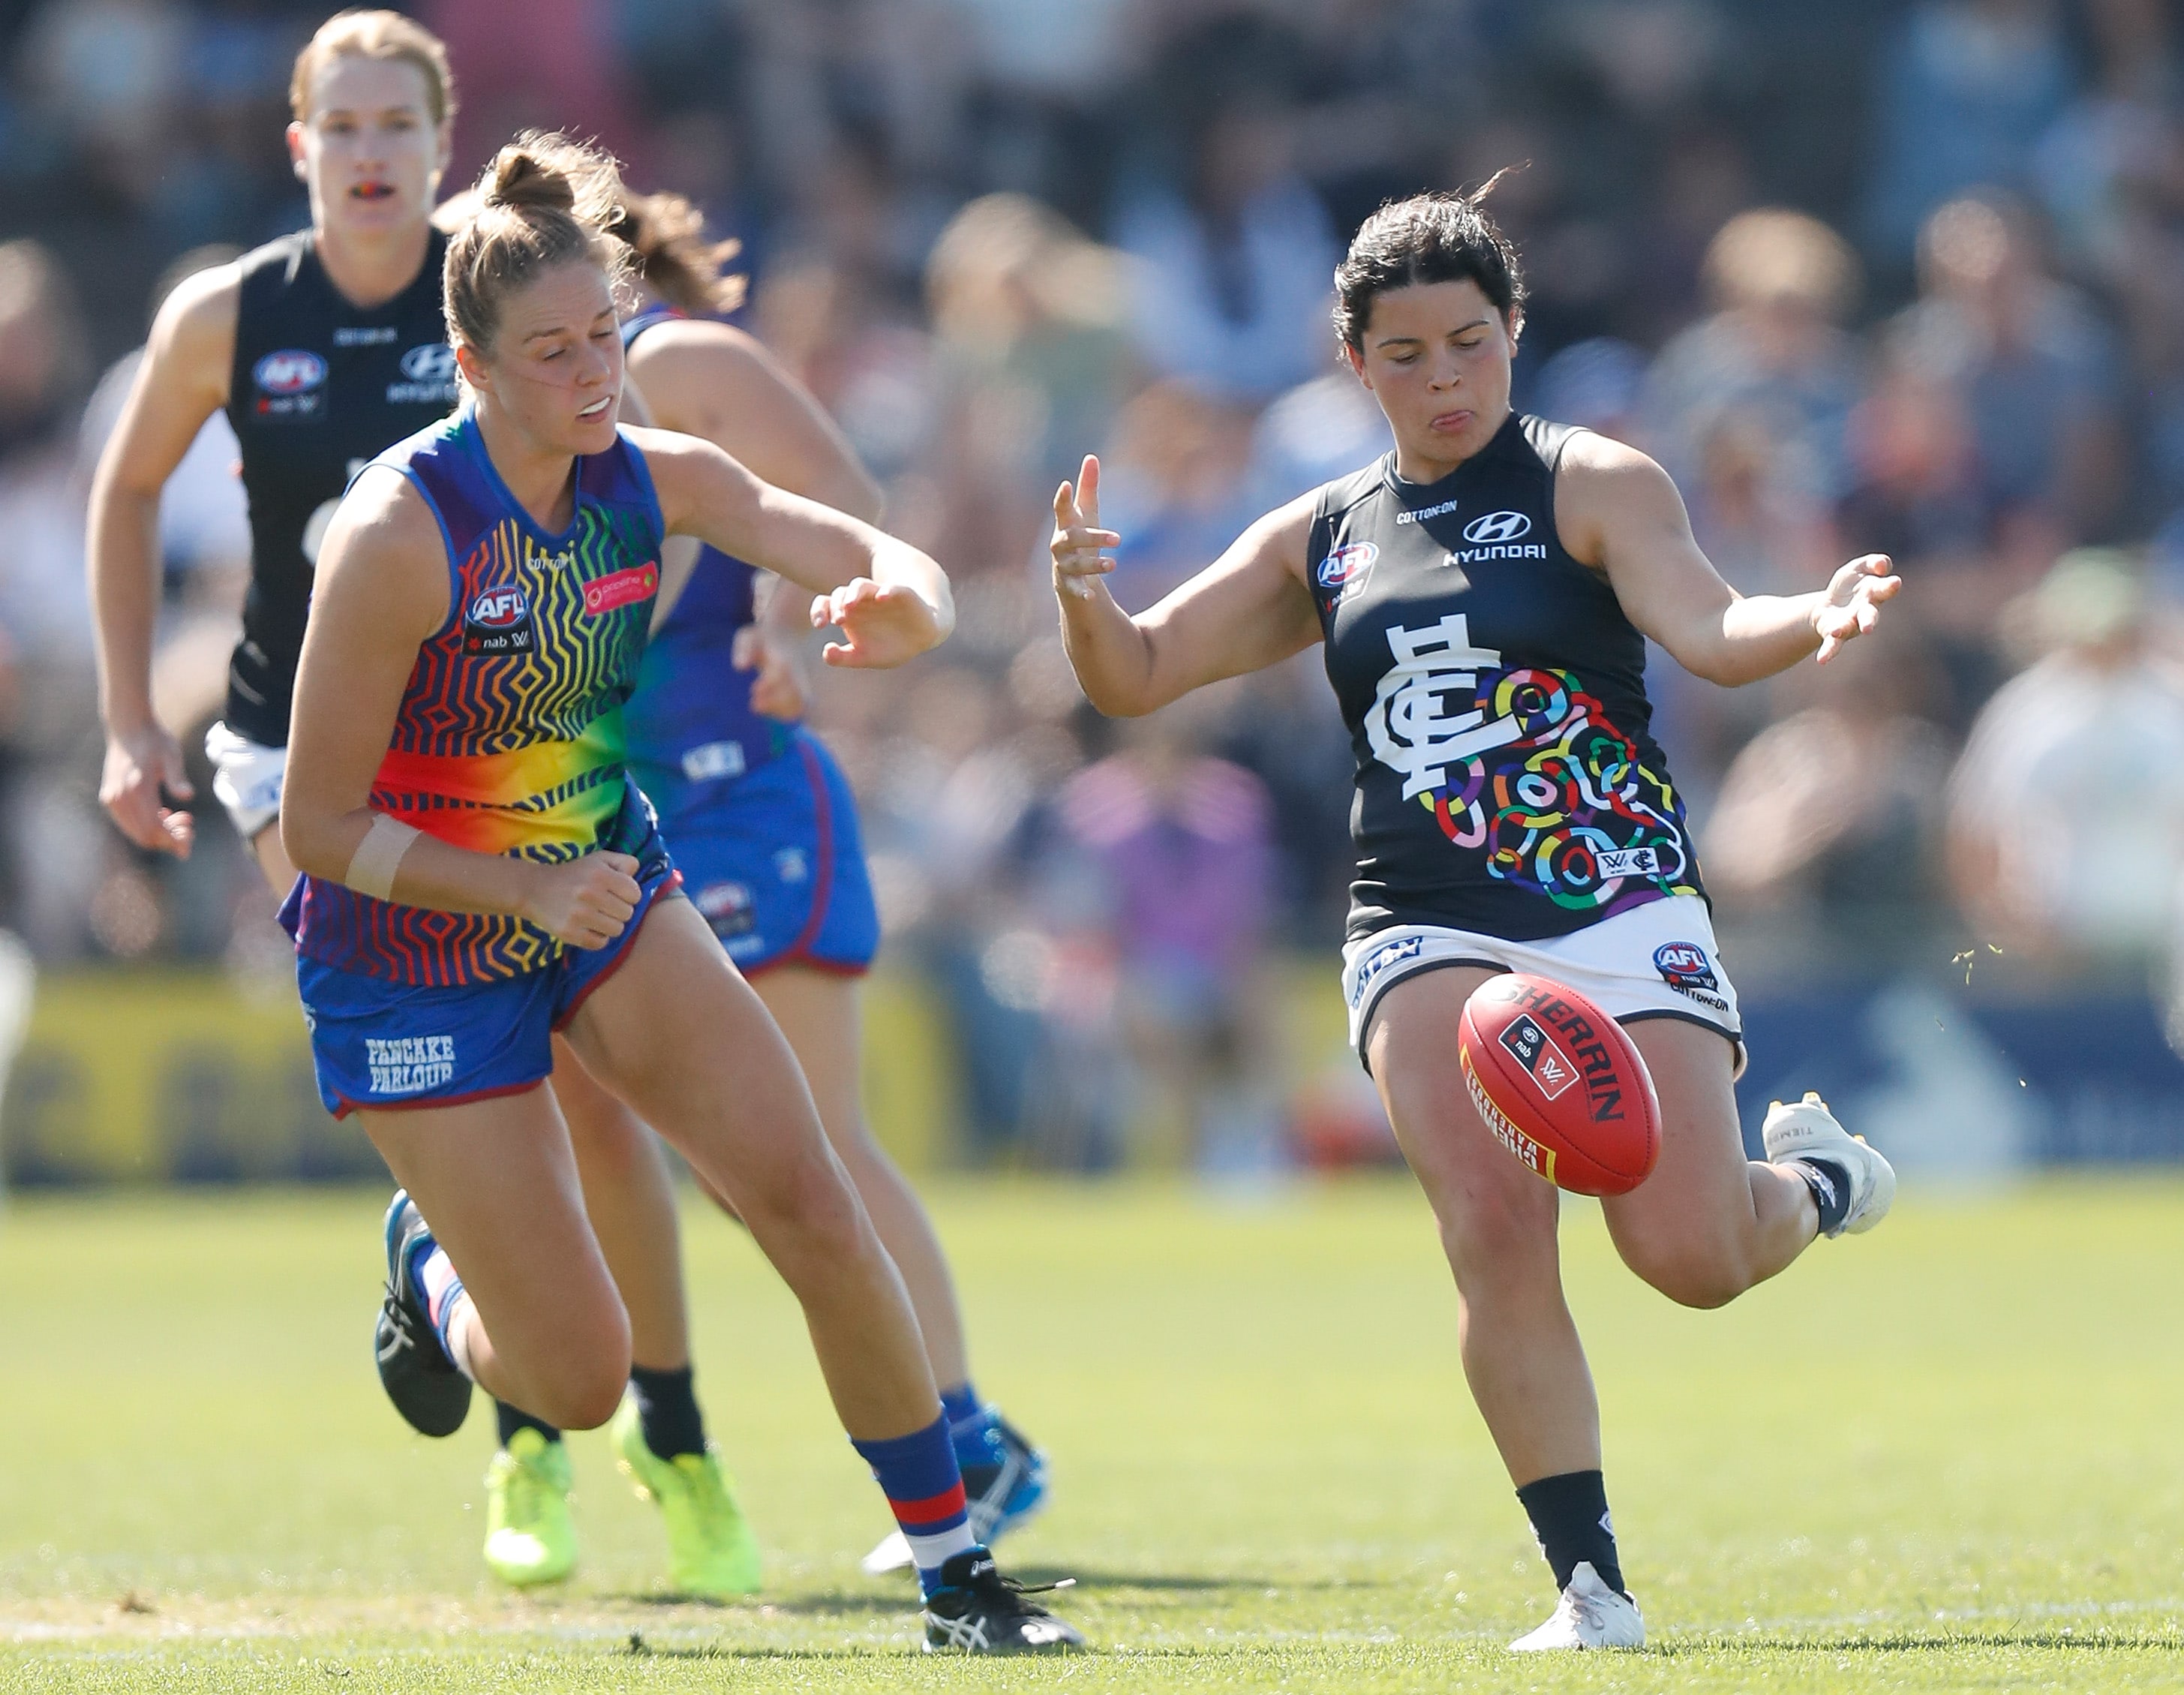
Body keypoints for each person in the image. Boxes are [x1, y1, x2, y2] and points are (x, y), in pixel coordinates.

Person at [1048, 185, 1900, 1651]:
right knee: (1492, 1224)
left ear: (1512, 336)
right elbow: (1131, 675)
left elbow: (1706, 626)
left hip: (1612, 896)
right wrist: (1075, 592)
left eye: (1467, 343)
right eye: (1405, 353)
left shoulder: (1596, 480)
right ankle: (1588, 1584)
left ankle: (1810, 1182)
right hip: (1423, 918)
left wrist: (1803, 617)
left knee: (1687, 1254)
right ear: (1354, 362)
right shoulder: (1316, 536)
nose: (1442, 379)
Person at [278, 132, 1080, 1655]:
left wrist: (890, 597)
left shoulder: (657, 474)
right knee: (576, 1377)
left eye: (609, 340)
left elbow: (847, 539)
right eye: (554, 353)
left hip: (600, 879)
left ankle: (957, 1577)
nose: (596, 378)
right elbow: (318, 826)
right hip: (414, 948)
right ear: (471, 363)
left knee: (808, 1199)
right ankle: (430, 1259)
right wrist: (517, 887)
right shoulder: (398, 533)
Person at [85, 11, 757, 1599]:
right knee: (510, 1084)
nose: (374, 150)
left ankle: (669, 1430)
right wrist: (128, 722)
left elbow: (648, 461)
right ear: (299, 144)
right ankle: (531, 1428)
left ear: (441, 144)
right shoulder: (230, 315)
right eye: (346, 124)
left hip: (515, 758)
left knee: (600, 1100)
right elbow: (120, 490)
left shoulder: (504, 296)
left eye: (402, 123)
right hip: (296, 758)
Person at [462, 180, 1052, 1590]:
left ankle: (967, 1440)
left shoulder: (686, 366)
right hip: (601, 810)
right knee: (615, 1143)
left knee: (804, 1146)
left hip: (736, 795)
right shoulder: (505, 423)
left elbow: (846, 504)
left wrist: (792, 617)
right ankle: (577, 1426)